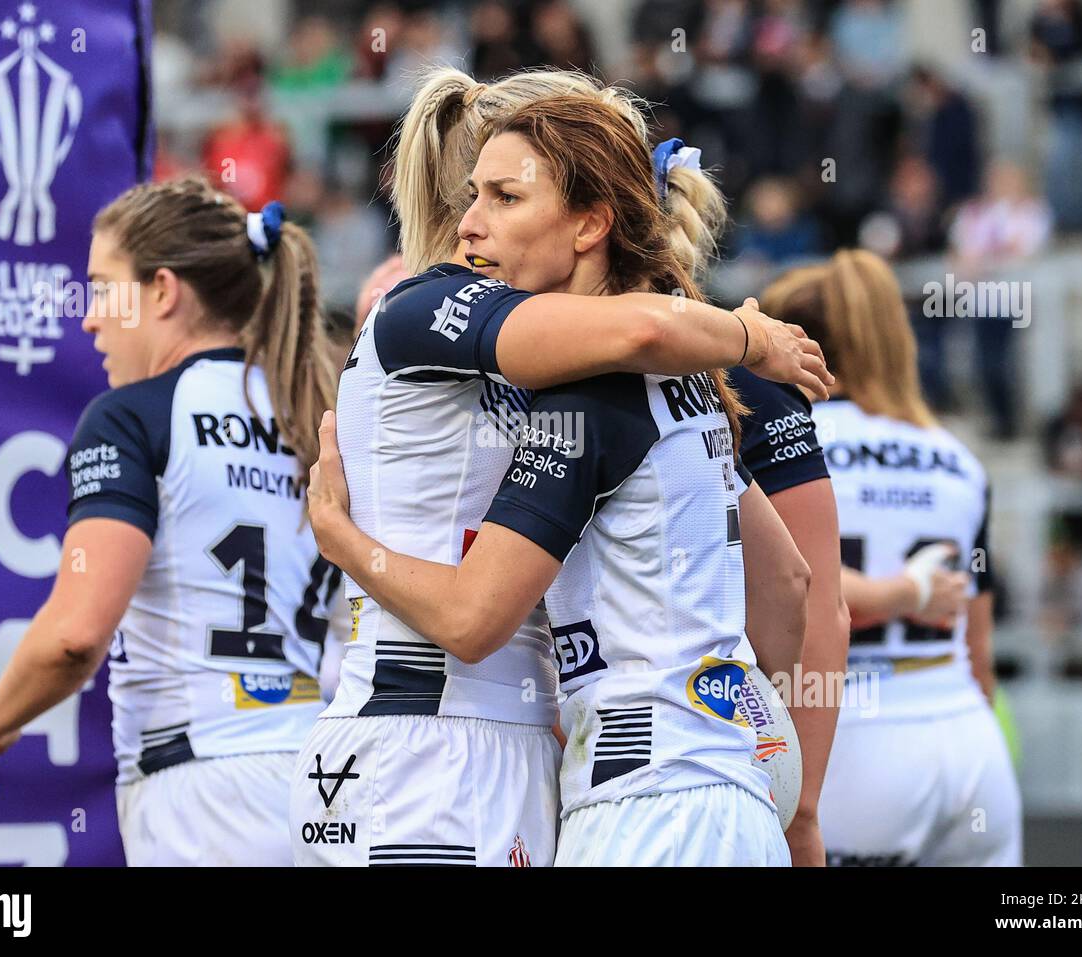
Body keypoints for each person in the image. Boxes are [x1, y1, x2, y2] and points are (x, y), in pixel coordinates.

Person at [306, 94, 827, 866]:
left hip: (643, 805)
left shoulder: (589, 392)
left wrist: (342, 537)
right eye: (473, 196)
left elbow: (473, 615)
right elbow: (786, 581)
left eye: (506, 198)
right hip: (730, 785)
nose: (470, 225)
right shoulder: (689, 385)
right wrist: (745, 739)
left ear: (589, 224)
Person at [0, 177, 344, 866]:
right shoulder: (312, 407)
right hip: (322, 780)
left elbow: (73, 635)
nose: (90, 317)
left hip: (202, 795)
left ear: (163, 291)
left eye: (104, 289)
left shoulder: (132, 415)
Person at [770, 249, 1021, 866]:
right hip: (966, 737)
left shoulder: (788, 438)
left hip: (853, 738)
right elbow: (979, 651)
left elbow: (794, 580)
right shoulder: (957, 454)